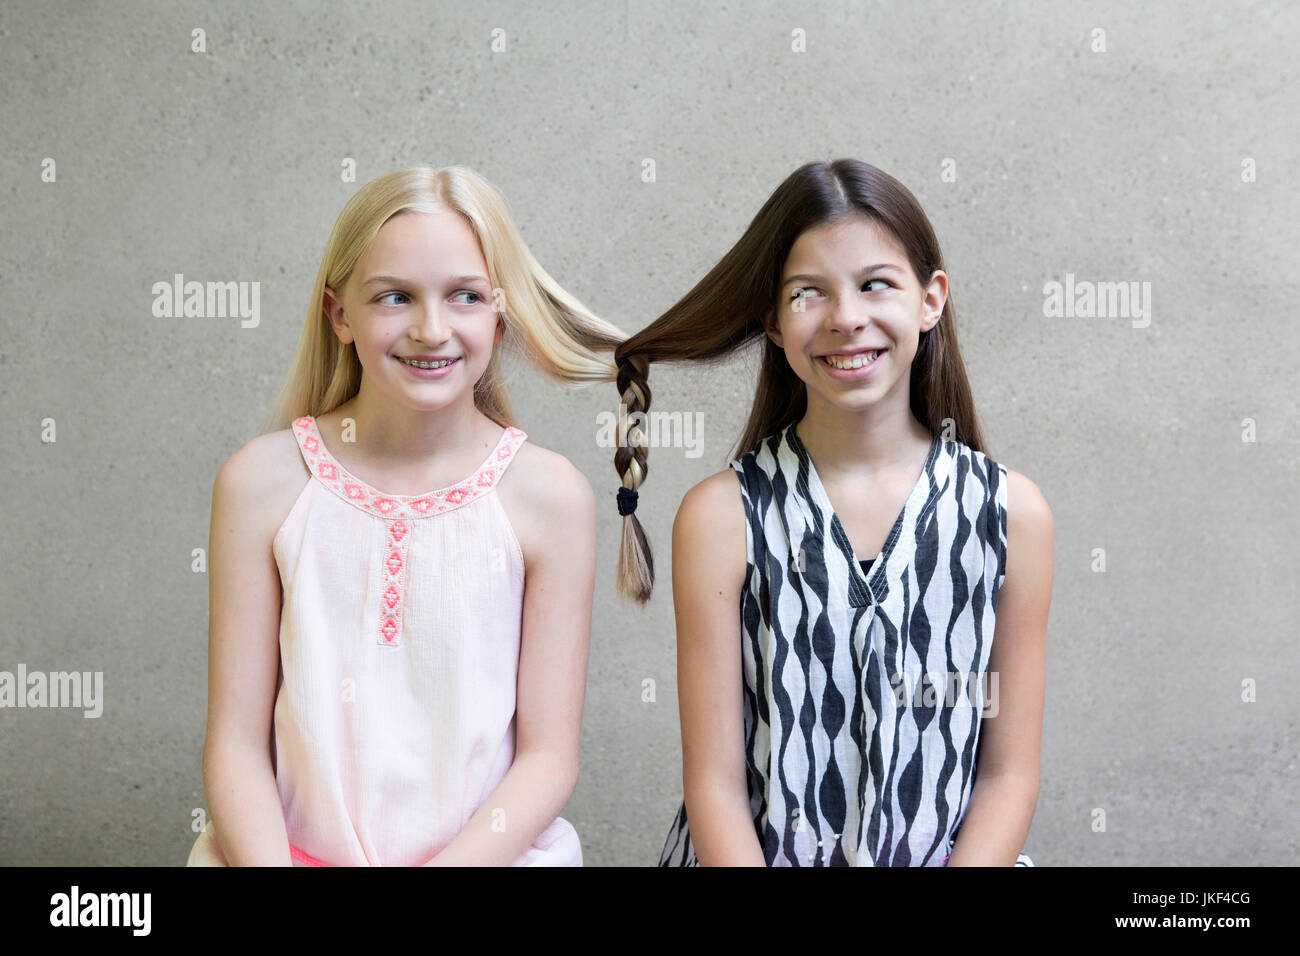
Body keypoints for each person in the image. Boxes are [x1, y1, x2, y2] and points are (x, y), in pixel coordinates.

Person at [612, 159, 1052, 866]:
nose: (846, 318)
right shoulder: (721, 516)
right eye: (807, 293)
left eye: (876, 284)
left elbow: (1008, 777)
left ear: (930, 300)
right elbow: (715, 788)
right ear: (775, 324)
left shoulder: (1011, 515)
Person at [188, 165, 624, 866]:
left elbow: (547, 760)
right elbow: (236, 745)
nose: (431, 329)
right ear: (340, 315)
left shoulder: (551, 499)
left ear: (498, 313)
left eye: (465, 297)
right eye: (394, 297)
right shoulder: (262, 483)